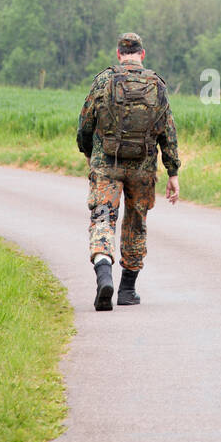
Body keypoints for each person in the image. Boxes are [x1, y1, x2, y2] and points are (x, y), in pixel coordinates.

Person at [76, 32, 180, 311]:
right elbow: (167, 131)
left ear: (119, 54)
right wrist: (173, 172)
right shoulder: (157, 84)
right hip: (143, 169)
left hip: (107, 164)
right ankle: (127, 290)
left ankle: (104, 274)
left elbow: (85, 123)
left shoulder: (104, 80)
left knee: (102, 218)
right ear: (142, 54)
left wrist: (89, 154)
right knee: (136, 223)